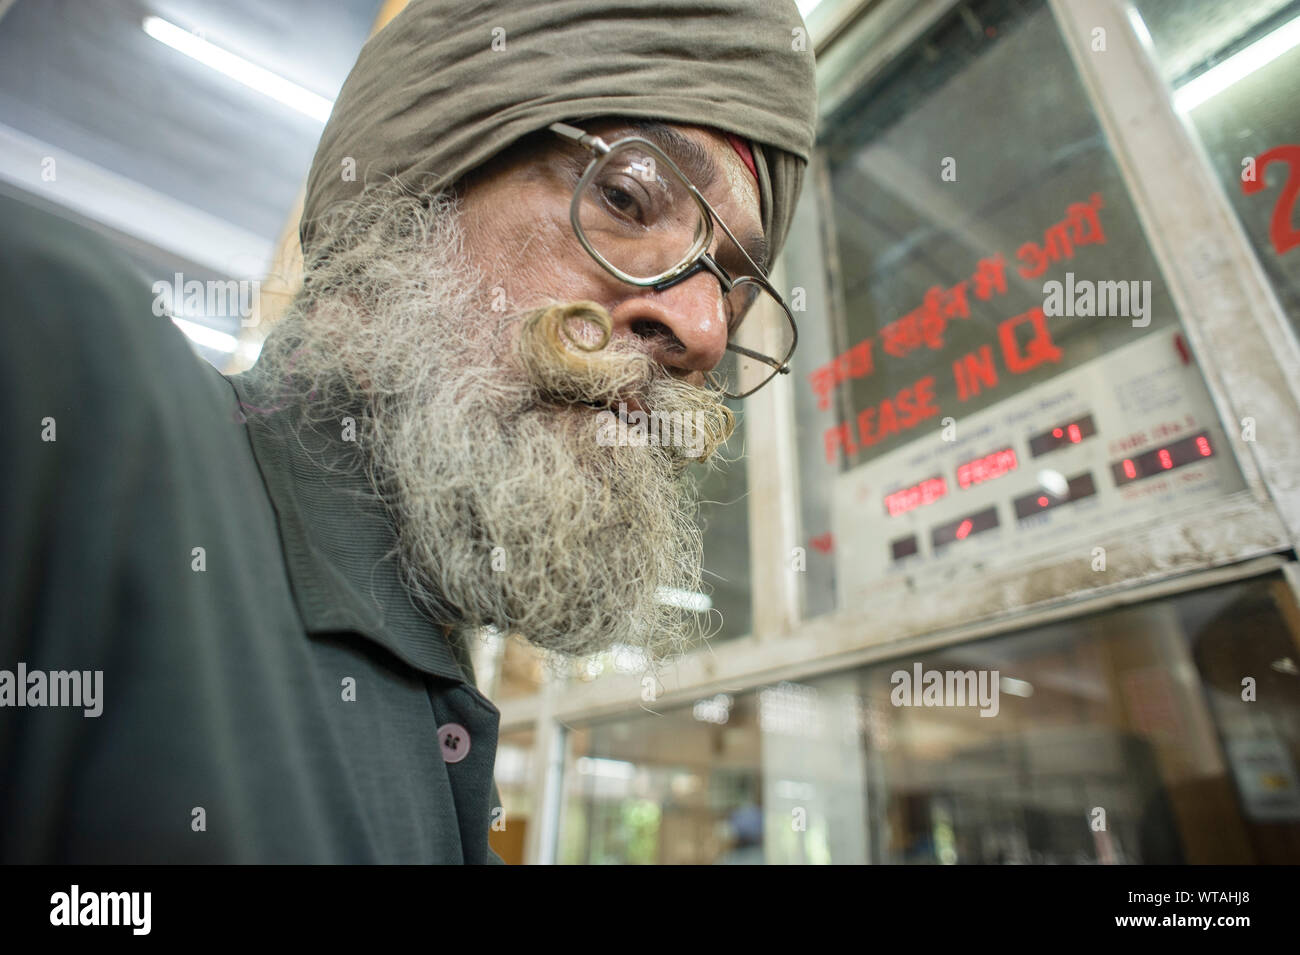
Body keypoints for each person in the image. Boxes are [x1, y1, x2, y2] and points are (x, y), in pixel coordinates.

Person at [0, 0, 816, 863]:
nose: (704, 331)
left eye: (731, 288)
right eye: (625, 196)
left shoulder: (445, 739)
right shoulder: (69, 384)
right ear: (408, 192)